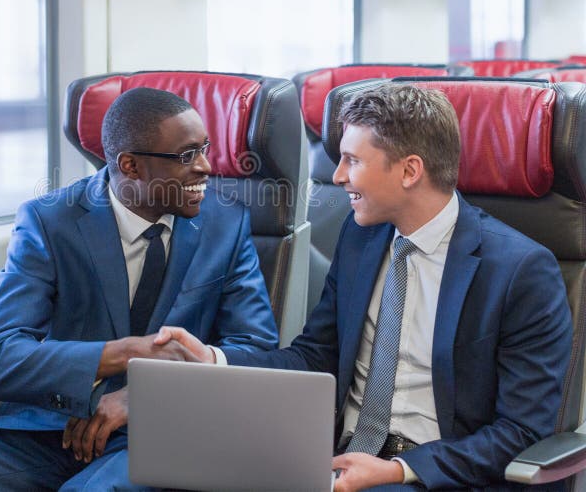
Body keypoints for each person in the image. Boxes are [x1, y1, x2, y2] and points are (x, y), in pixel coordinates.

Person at [0, 87, 278, 490]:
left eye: (205, 149)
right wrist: (125, 353)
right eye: (187, 155)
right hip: (52, 428)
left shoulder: (226, 223)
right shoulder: (50, 221)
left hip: (165, 430)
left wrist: (146, 396)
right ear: (130, 165)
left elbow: (257, 349)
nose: (205, 166)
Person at [159, 84, 572, 491]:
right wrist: (214, 360)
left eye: (352, 161)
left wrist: (397, 470)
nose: (337, 177)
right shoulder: (361, 238)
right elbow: (315, 356)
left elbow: (520, 432)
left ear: (410, 171)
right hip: (338, 459)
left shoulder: (519, 271)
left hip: (436, 473)